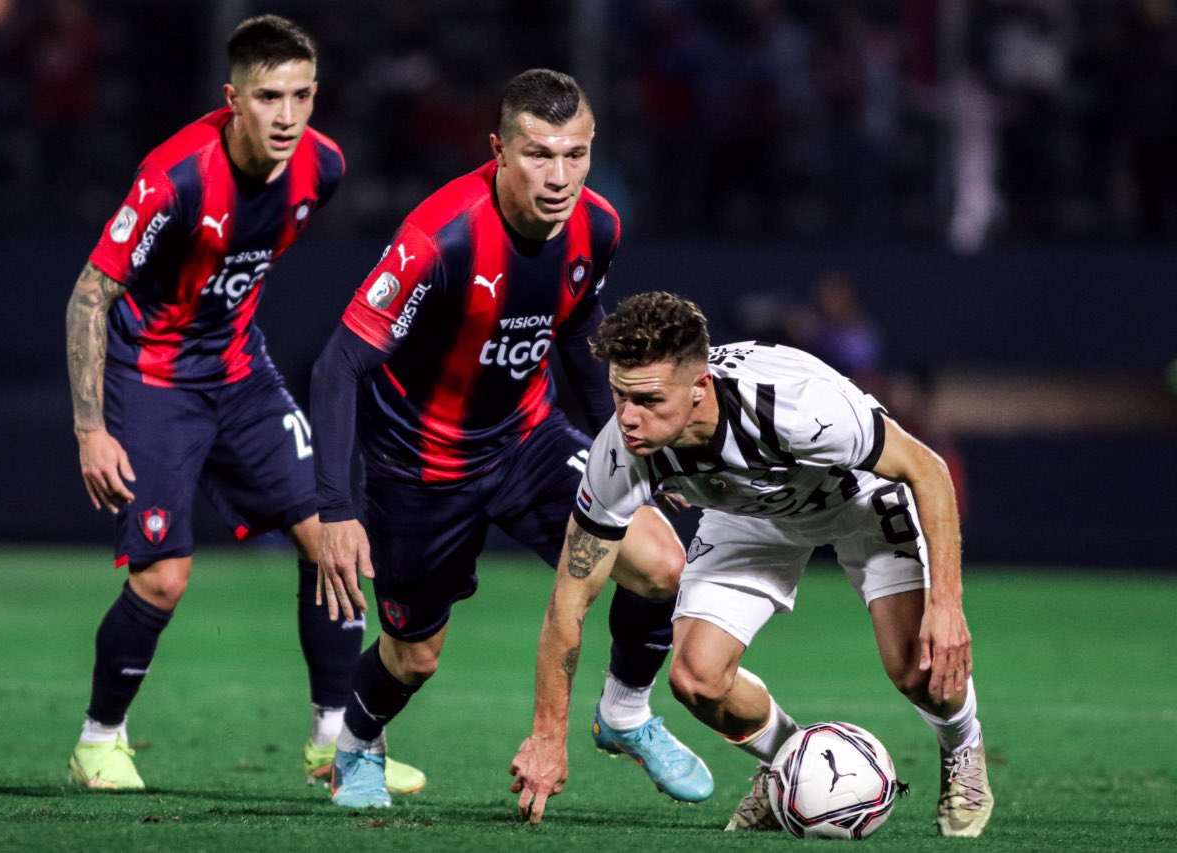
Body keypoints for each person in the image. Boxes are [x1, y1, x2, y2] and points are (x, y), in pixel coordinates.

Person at [311, 69, 710, 810]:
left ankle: (624, 713)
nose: (559, 177)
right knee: (414, 655)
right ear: (498, 149)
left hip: (528, 443)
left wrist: (632, 449)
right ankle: (358, 745)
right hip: (421, 466)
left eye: (576, 154)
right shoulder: (440, 238)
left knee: (662, 564)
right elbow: (340, 361)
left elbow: (580, 338)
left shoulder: (600, 226)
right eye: (538, 155)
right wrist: (335, 508)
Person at [63, 14, 422, 795]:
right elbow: (91, 294)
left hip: (238, 369)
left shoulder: (322, 168)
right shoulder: (175, 179)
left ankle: (338, 741)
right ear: (233, 99)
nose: (286, 116)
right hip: (153, 377)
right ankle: (100, 739)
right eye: (267, 97)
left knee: (335, 540)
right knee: (164, 578)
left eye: (300, 96)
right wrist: (92, 428)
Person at [511, 292, 994, 837]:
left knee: (921, 670)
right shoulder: (619, 454)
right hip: (749, 511)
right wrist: (548, 737)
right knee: (696, 679)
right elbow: (568, 602)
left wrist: (947, 606)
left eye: (648, 400)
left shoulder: (798, 407)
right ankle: (791, 767)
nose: (627, 418)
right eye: (619, 395)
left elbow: (927, 469)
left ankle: (963, 750)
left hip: (857, 500)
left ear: (700, 389)